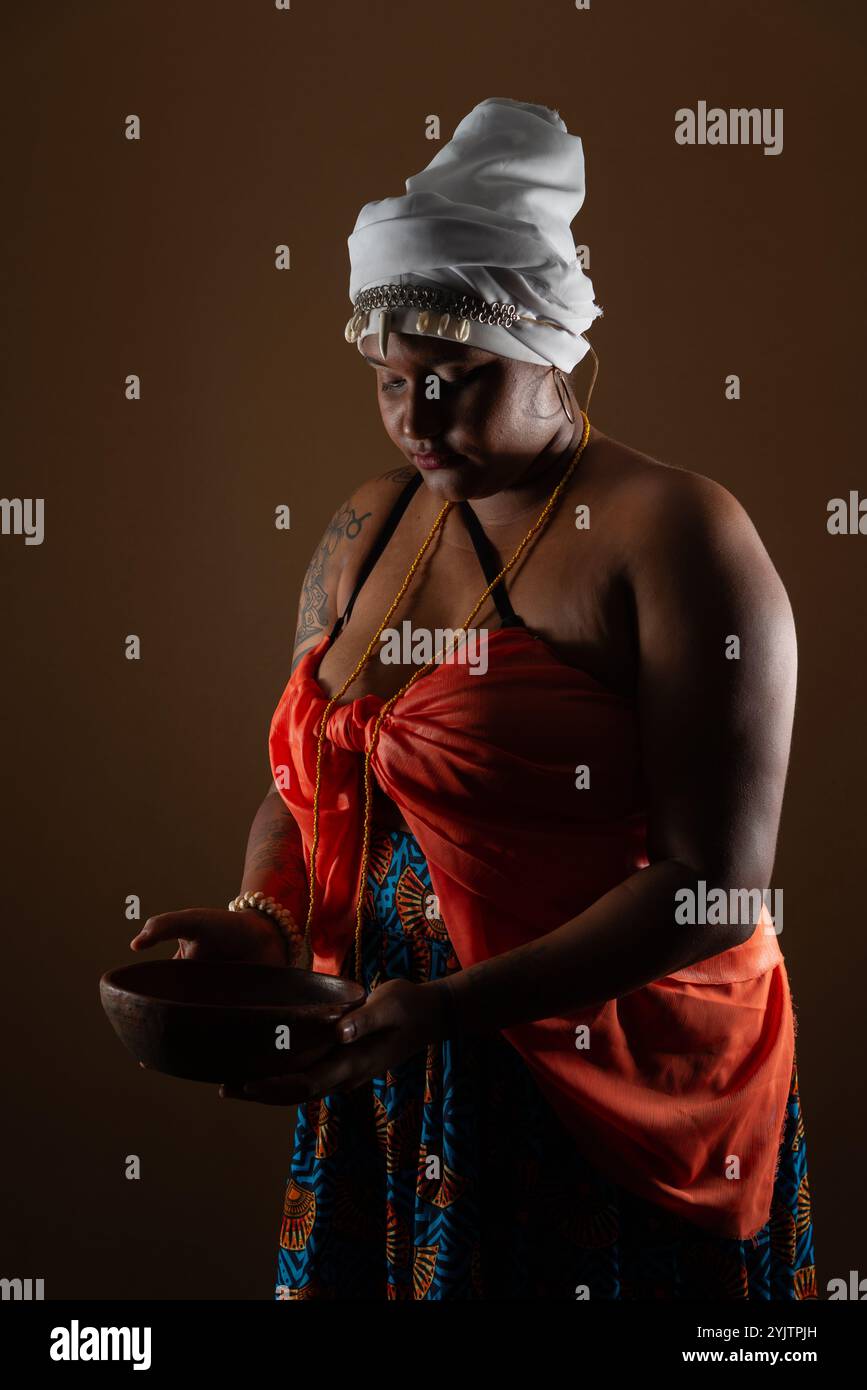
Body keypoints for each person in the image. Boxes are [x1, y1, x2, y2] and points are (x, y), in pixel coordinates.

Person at [131, 98, 816, 1301]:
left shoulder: (675, 536)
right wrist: (264, 920)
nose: (417, 419)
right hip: (389, 1061)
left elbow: (718, 885)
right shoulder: (367, 526)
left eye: (455, 378)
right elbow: (310, 787)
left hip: (602, 1091)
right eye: (391, 382)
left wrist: (451, 1007)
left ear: (549, 343)